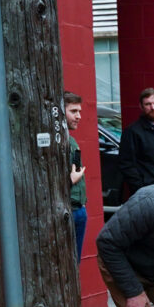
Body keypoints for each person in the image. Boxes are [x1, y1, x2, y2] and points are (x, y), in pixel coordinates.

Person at [63, 91, 88, 261]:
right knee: (64, 264)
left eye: (79, 111)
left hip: (79, 209)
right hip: (65, 212)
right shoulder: (53, 141)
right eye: (73, 111)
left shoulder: (71, 140)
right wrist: (69, 181)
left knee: (74, 263)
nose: (79, 116)